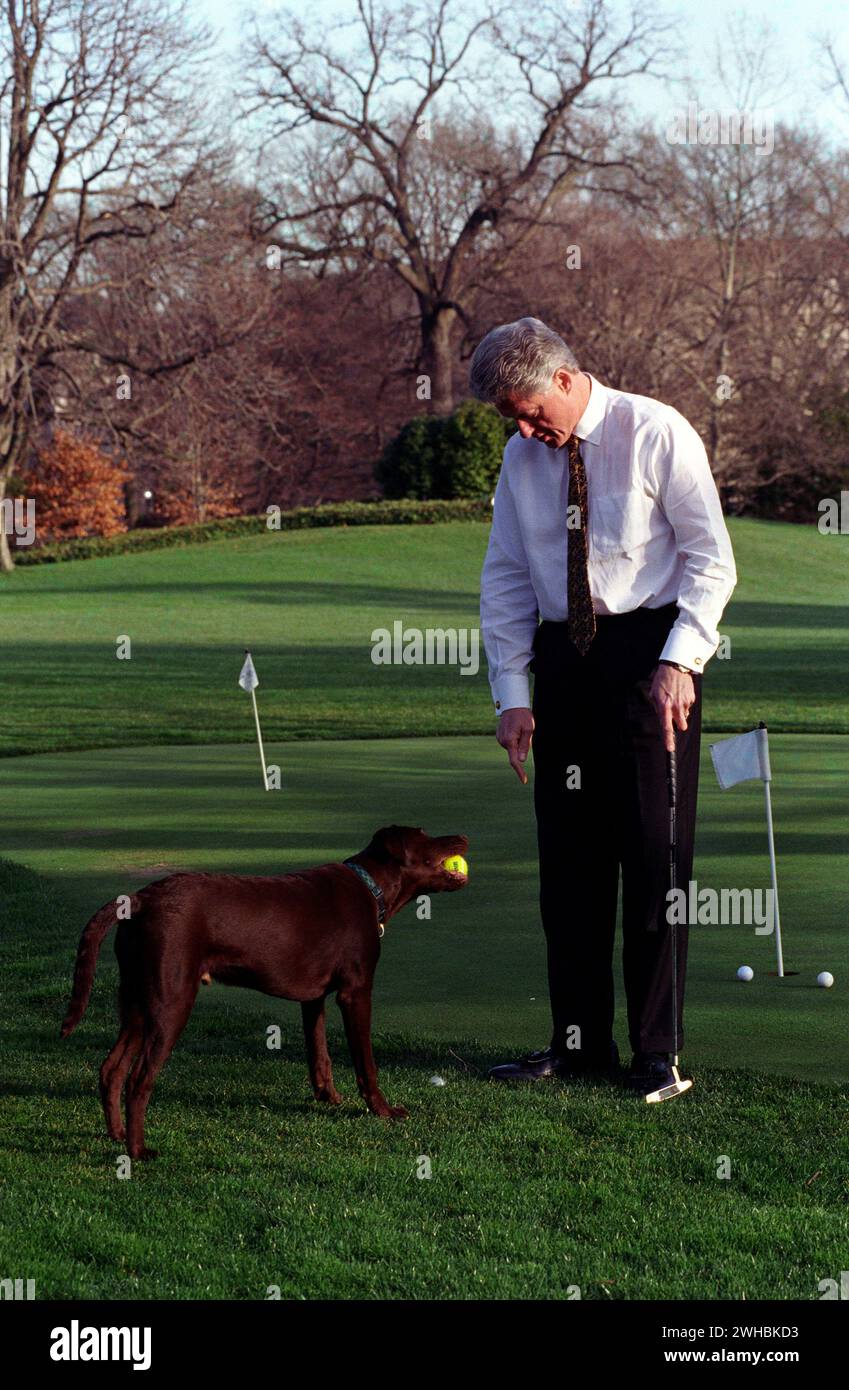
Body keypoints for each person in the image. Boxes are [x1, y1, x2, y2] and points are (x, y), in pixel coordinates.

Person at [473, 317, 737, 1097]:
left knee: (654, 861)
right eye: (509, 420)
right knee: (570, 870)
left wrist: (679, 661)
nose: (523, 431)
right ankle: (576, 1044)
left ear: (563, 377)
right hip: (564, 665)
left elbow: (709, 561)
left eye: (529, 412)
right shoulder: (520, 458)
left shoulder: (654, 431)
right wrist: (513, 695)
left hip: (648, 660)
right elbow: (507, 579)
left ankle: (657, 1054)